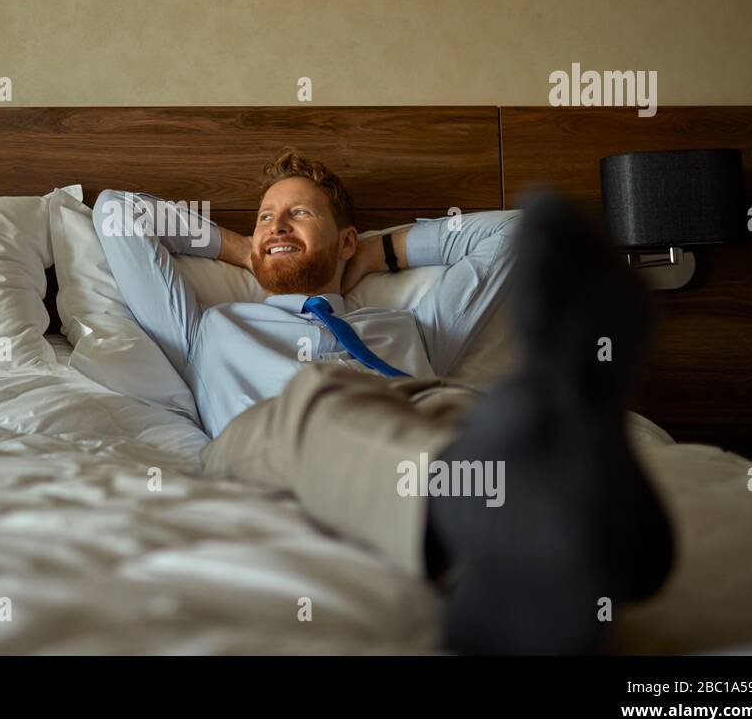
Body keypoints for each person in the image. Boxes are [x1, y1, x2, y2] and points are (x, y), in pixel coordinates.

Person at [94, 149, 675, 654]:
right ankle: (514, 525)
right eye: (268, 215)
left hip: (419, 409)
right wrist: (243, 246)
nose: (277, 225)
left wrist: (378, 254)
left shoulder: (411, 326)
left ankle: (551, 505)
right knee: (320, 399)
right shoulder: (207, 328)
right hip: (272, 440)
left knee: (461, 412)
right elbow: (118, 212)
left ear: (345, 238)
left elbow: (516, 234)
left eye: (299, 213)